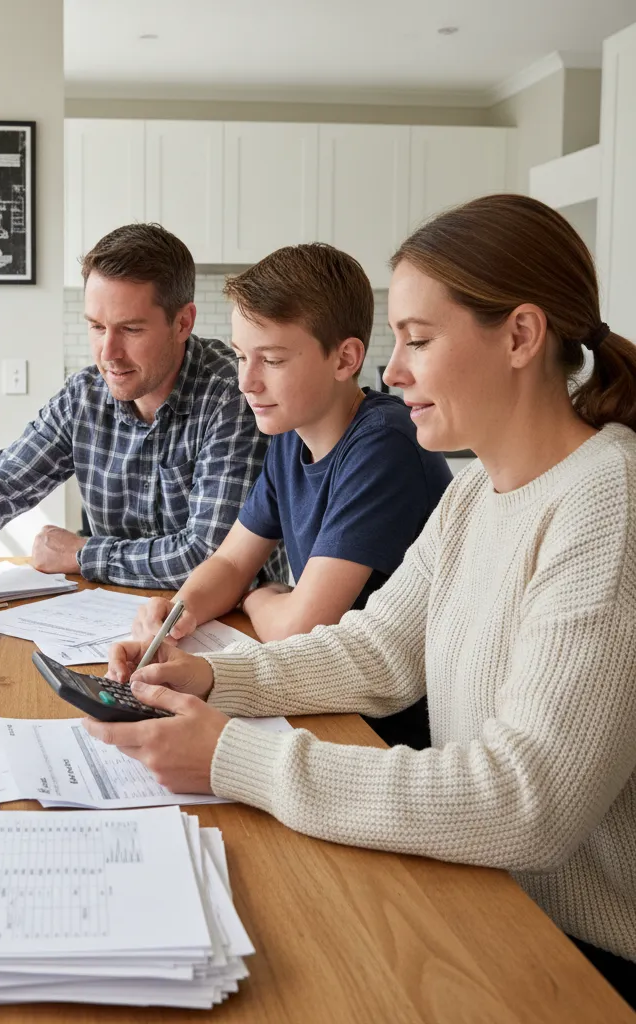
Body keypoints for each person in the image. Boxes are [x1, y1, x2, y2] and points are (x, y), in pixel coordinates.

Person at [95, 194, 636, 1004]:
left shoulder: (607, 501)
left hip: (580, 955)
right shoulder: (476, 494)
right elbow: (379, 649)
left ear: (521, 336)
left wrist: (234, 757)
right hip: (486, 895)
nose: (394, 371)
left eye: (418, 340)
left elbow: (529, 803)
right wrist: (210, 682)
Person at [0, 223, 285, 597]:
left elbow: (209, 559)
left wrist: (81, 554)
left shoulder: (235, 394)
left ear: (183, 322)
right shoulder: (86, 395)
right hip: (114, 618)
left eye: (130, 329)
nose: (108, 352)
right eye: (95, 326)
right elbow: (3, 482)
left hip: (229, 625)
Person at [131, 243, 451, 749]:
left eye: (273, 360)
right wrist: (180, 610)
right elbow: (233, 562)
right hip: (325, 697)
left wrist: (259, 595)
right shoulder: (290, 434)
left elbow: (299, 626)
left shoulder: (384, 444)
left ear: (345, 358)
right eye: (240, 357)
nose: (247, 382)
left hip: (385, 728)